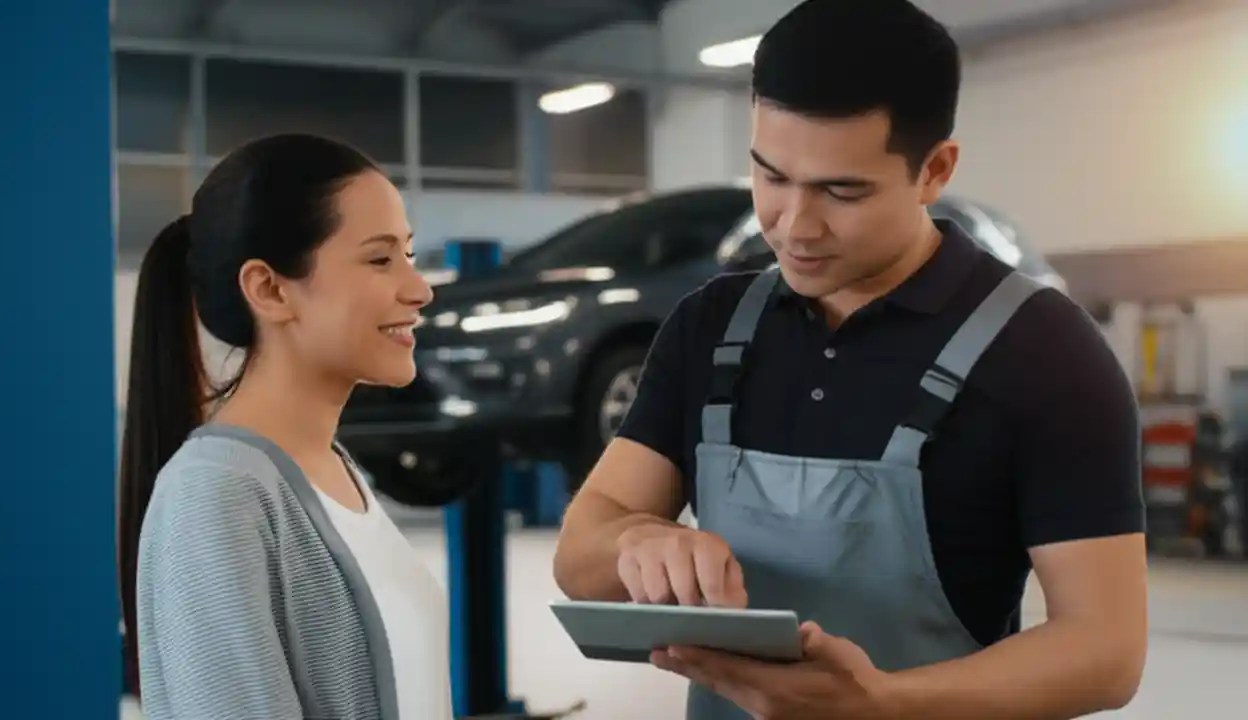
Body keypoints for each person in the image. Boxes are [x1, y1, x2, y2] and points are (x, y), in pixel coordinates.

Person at [552, 1, 1148, 718]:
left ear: (934, 171)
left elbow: (1105, 649)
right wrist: (638, 539)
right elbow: (580, 554)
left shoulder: (1044, 350)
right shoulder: (709, 326)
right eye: (771, 177)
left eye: (842, 191)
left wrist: (885, 704)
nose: (795, 226)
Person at [117, 133, 449, 720]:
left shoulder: (332, 470)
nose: (418, 289)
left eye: (410, 255)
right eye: (380, 258)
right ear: (269, 290)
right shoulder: (215, 495)